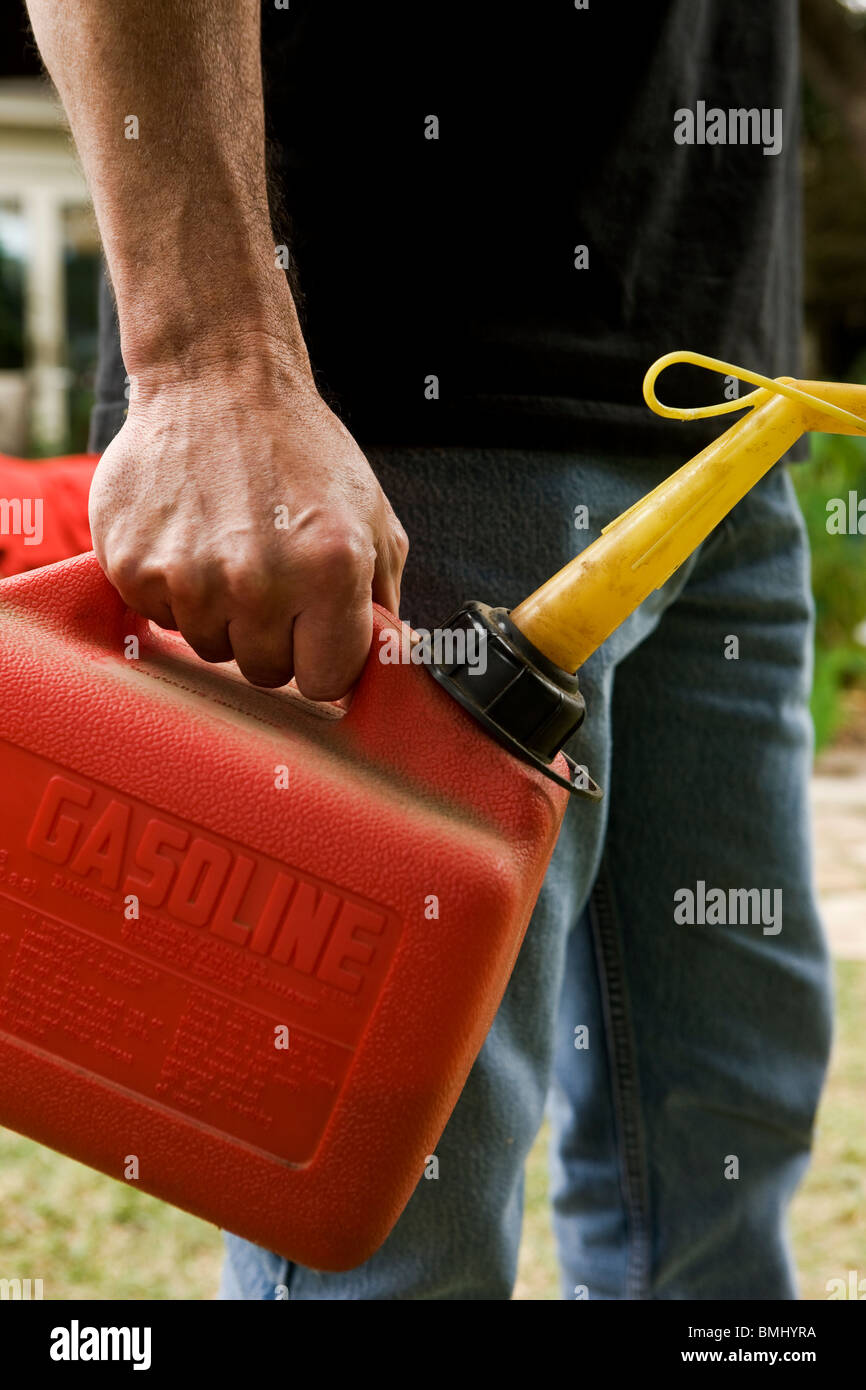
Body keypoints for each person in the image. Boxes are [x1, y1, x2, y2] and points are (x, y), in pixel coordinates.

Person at [25, 0, 831, 1299]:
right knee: (398, 1239)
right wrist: (208, 357)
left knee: (724, 1143)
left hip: (716, 429)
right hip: (394, 436)